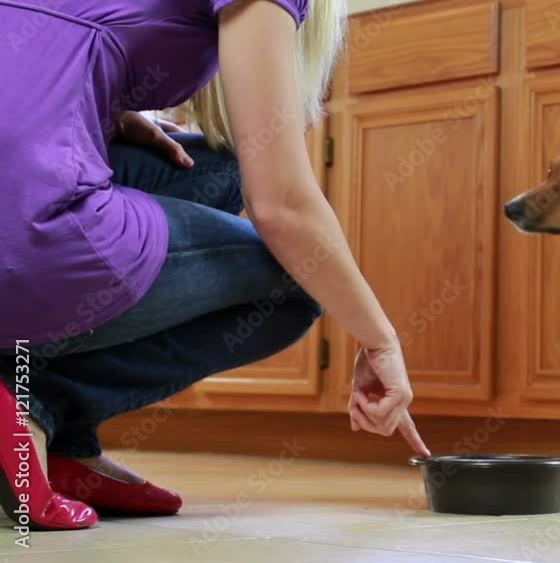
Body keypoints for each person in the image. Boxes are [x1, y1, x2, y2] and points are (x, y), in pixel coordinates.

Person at [0, 0, 429, 531]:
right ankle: (29, 398)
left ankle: (65, 439)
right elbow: (282, 206)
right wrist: (380, 340)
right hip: (26, 229)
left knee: (219, 171)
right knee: (295, 284)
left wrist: (101, 111)